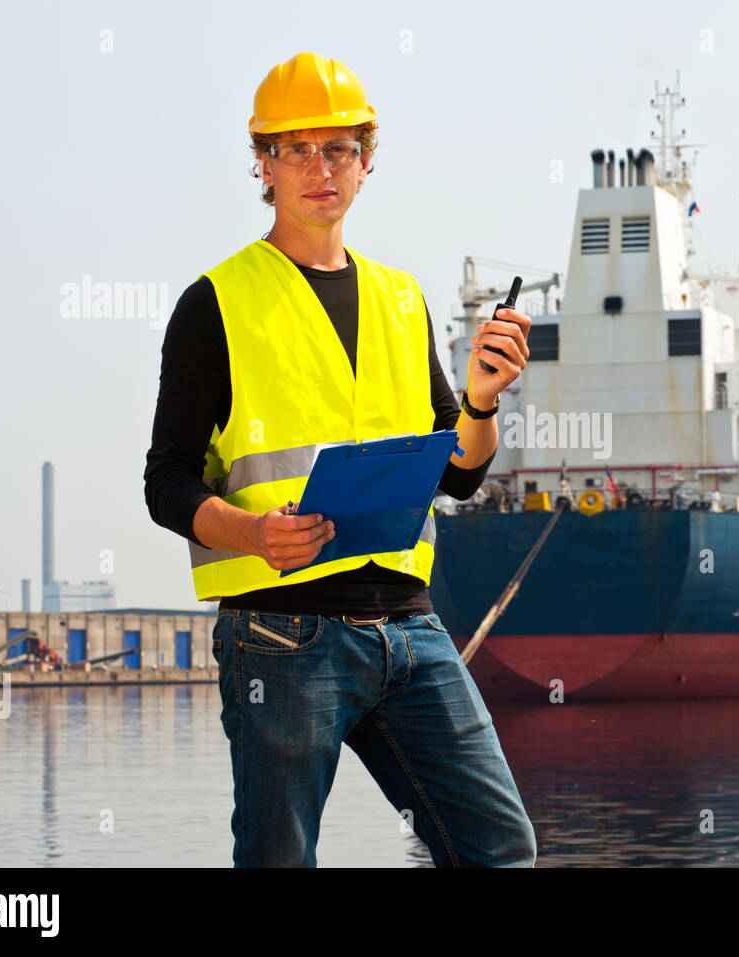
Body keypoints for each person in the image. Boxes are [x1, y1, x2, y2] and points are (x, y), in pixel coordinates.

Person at [143, 51, 536, 868]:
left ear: (366, 162)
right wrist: (251, 533)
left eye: (340, 149)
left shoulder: (401, 298)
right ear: (263, 163)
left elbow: (458, 471)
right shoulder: (215, 302)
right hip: (280, 634)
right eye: (297, 149)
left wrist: (484, 398)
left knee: (499, 847)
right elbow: (166, 479)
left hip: (409, 627)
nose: (321, 168)